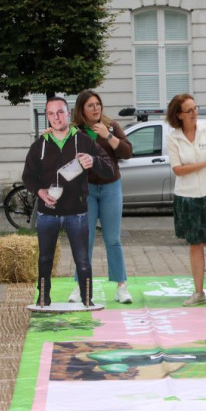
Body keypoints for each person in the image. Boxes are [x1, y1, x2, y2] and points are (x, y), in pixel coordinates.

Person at [23, 97, 114, 306]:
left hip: (77, 212)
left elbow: (109, 168)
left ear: (69, 113)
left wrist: (94, 161)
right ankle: (43, 298)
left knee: (82, 260)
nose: (56, 117)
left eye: (60, 112)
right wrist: (40, 191)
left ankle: (87, 299)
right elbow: (27, 177)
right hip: (48, 212)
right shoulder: (39, 146)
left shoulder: (83, 141)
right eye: (51, 113)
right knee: (45, 259)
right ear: (47, 117)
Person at [165, 93, 206, 307]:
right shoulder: (173, 137)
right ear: (179, 115)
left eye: (195, 108)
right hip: (187, 197)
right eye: (189, 110)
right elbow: (178, 170)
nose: (195, 113)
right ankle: (198, 292)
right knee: (194, 245)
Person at [73, 90, 134, 304]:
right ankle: (81, 286)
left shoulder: (111, 126)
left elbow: (127, 152)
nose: (96, 108)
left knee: (113, 239)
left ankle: (121, 286)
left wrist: (108, 136)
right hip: (86, 190)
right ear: (82, 109)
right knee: (85, 240)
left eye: (98, 104)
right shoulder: (75, 131)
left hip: (110, 187)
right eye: (90, 105)